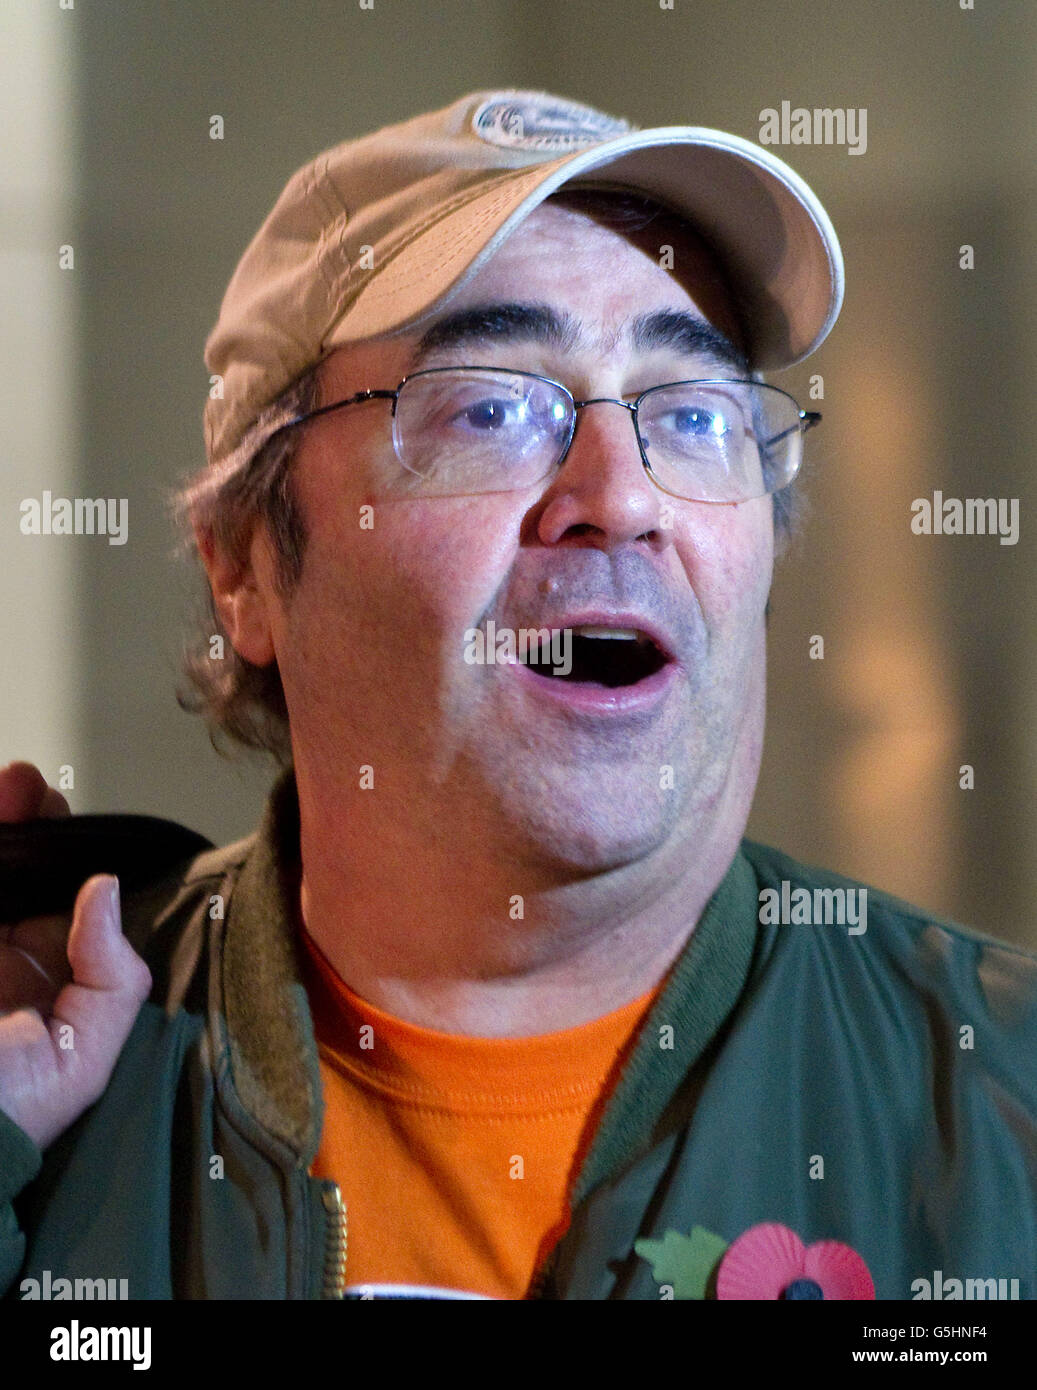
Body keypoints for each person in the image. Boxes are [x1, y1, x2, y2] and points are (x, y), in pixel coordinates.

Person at [1, 90, 1033, 1303]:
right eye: (491, 406)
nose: (621, 494)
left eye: (691, 414)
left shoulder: (1003, 1097)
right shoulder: (53, 1086)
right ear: (244, 564)